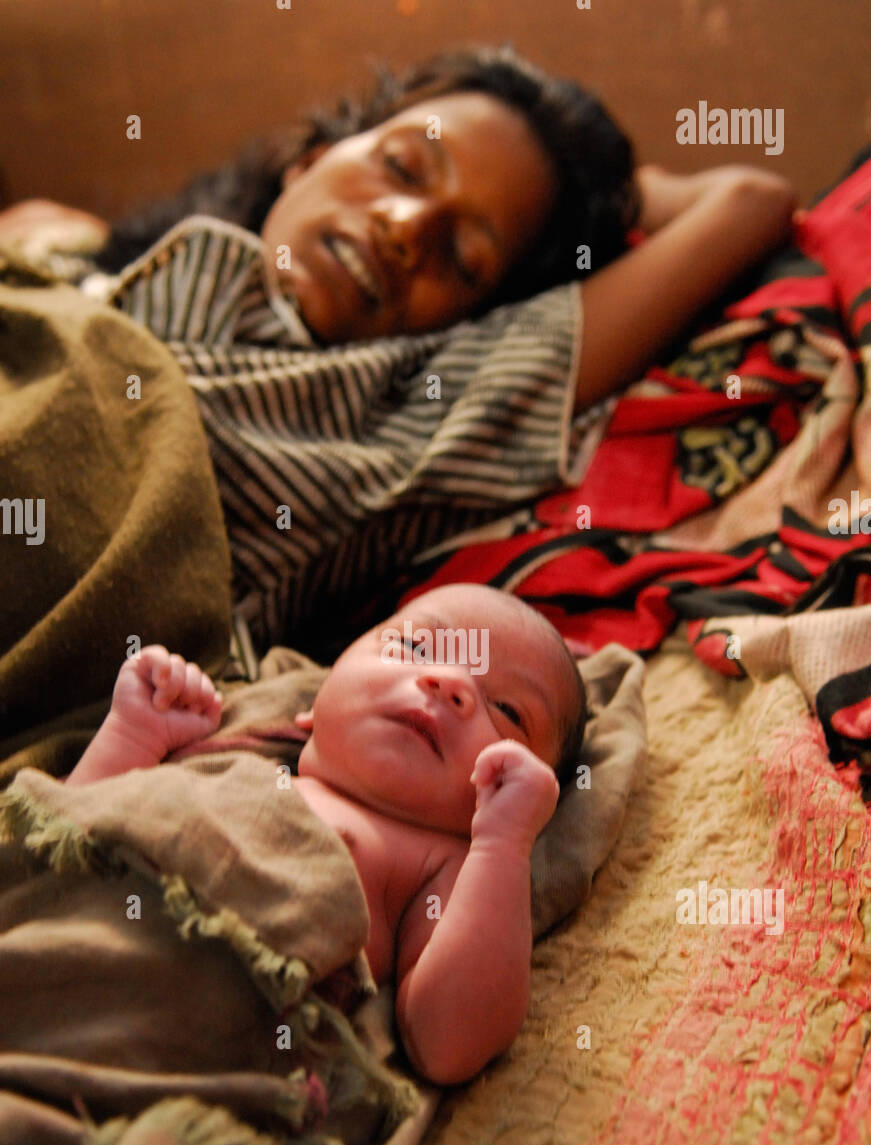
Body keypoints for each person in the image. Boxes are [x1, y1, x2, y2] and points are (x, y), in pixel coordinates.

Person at [0, 45, 798, 663]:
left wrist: (607, 196)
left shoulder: (409, 410)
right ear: (314, 154)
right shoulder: (109, 265)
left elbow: (749, 201)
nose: (406, 227)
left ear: (479, 328)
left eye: (463, 258)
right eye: (402, 166)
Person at [62, 582, 587, 1086]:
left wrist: (502, 846)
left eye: (509, 711)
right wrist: (131, 735)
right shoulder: (231, 759)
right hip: (71, 925)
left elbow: (449, 1044)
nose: (449, 682)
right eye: (413, 647)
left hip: (175, 1016)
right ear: (316, 703)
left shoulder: (442, 862)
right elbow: (63, 830)